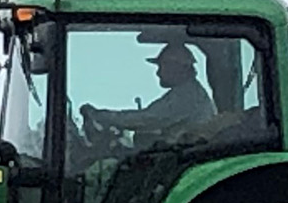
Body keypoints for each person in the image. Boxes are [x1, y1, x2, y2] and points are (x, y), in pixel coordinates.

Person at [79, 42, 216, 141]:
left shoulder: (187, 95)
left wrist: (102, 116)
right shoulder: (186, 93)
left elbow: (148, 118)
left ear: (178, 68)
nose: (158, 73)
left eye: (162, 66)